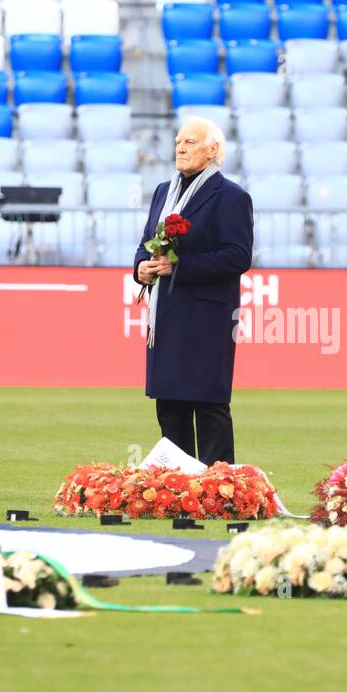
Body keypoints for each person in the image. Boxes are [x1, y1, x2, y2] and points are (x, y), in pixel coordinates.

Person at [133, 117, 253, 465]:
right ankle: (177, 485)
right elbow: (146, 245)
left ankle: (220, 487)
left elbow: (238, 256)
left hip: (206, 318)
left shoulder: (232, 197)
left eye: (190, 142)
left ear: (213, 149)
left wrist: (179, 266)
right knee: (170, 404)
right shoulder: (162, 192)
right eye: (178, 142)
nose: (180, 148)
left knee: (209, 405)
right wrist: (141, 267)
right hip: (166, 315)